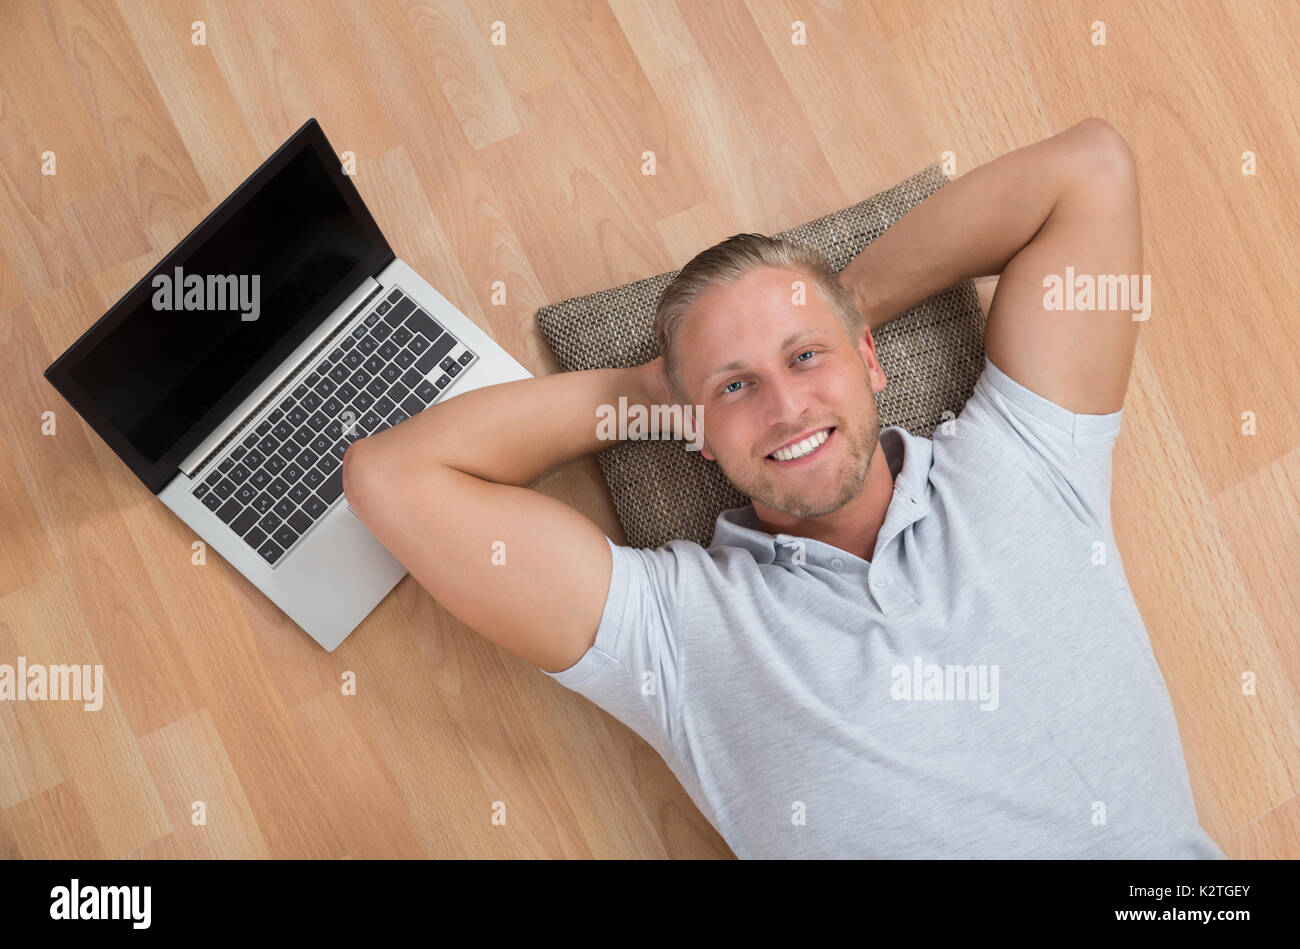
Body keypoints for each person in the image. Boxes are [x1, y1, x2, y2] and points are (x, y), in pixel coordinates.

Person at [342, 117, 1225, 859]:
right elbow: (391, 476)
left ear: (869, 361)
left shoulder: (1024, 455)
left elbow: (1091, 170)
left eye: (807, 358)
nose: (785, 403)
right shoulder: (678, 630)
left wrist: (846, 302)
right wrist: (647, 393)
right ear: (694, 434)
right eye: (734, 386)